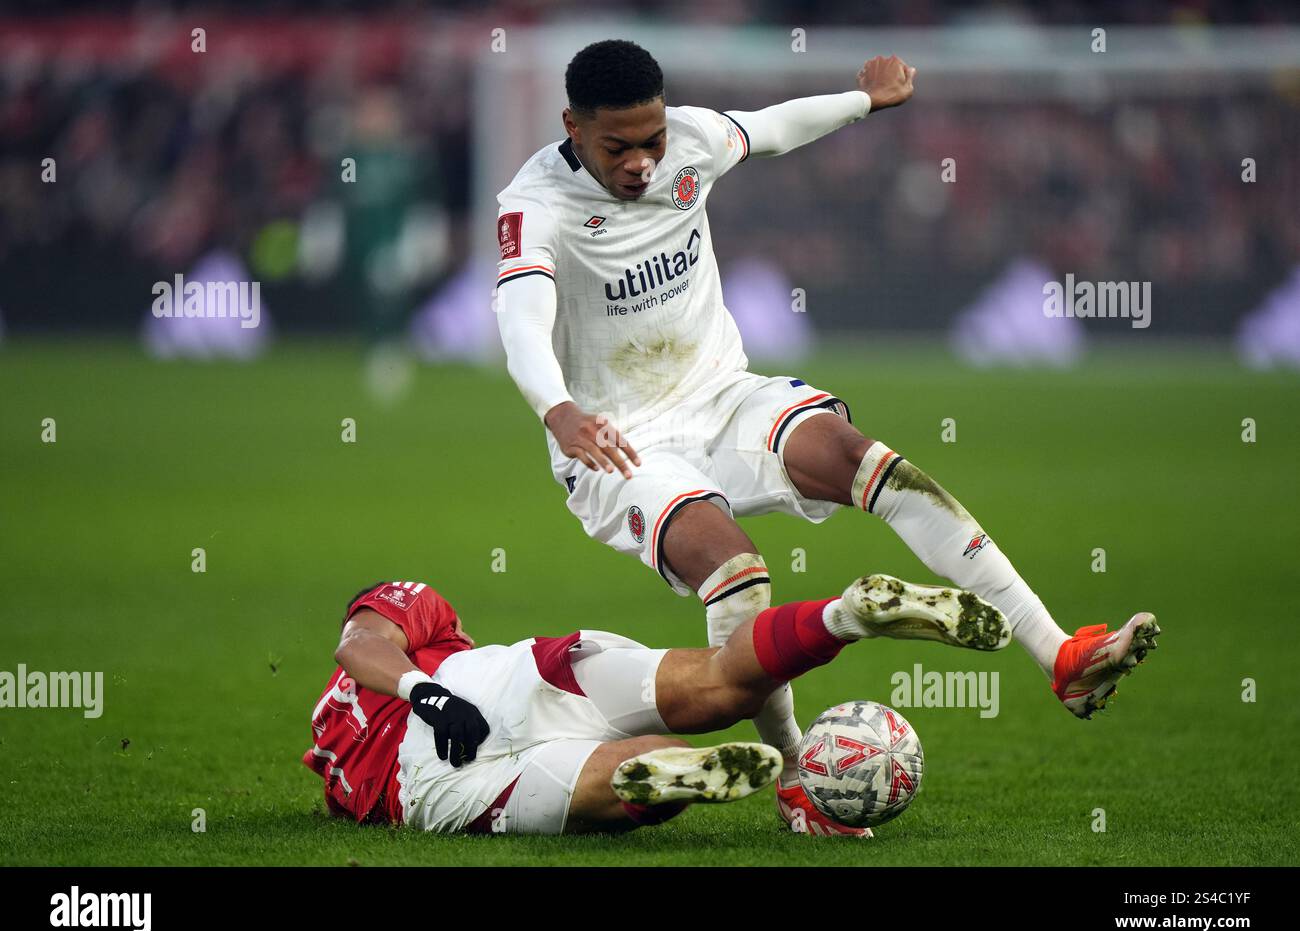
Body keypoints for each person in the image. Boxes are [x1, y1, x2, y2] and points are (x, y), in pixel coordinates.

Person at [492, 39, 1162, 836]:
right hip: (615, 442)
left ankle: (1061, 658)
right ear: (572, 125)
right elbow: (522, 316)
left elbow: (773, 127)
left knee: (868, 461)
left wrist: (865, 102)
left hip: (722, 397)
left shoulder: (694, 142)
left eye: (652, 140)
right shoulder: (533, 204)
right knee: (732, 564)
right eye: (617, 147)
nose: (641, 163)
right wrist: (557, 410)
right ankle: (800, 777)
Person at [306, 571, 1148, 836]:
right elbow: (365, 638)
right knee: (715, 681)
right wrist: (429, 682)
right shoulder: (413, 611)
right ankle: (841, 616)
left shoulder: (334, 743)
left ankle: (675, 779)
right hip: (502, 678)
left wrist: (419, 691)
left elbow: (355, 649)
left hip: (430, 774)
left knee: (589, 788)